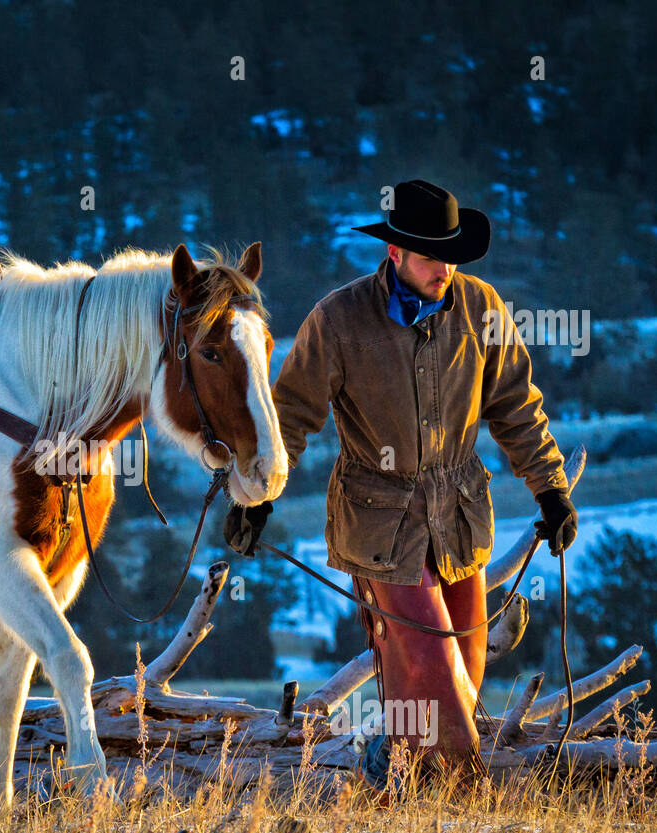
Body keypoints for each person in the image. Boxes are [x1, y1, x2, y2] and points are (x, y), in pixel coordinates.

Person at [225, 179, 577, 792]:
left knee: (460, 681)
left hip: (460, 520)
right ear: (394, 255)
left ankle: (398, 789)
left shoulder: (482, 309)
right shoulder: (337, 320)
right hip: (381, 526)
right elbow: (295, 416)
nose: (443, 268)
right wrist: (259, 499)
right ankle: (473, 806)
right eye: (429, 256)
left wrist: (550, 488)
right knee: (432, 667)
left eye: (449, 256)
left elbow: (517, 405)